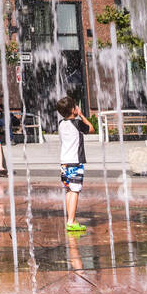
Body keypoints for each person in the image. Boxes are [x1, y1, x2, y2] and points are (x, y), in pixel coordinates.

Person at [57, 94, 92, 233]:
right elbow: (91, 129)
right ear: (73, 109)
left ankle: (69, 220)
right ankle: (71, 221)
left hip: (64, 163)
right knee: (75, 191)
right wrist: (82, 115)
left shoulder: (60, 124)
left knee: (69, 190)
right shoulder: (77, 123)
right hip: (75, 162)